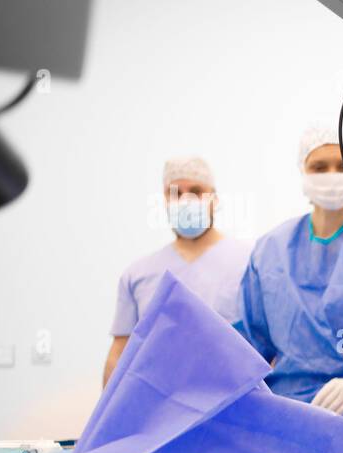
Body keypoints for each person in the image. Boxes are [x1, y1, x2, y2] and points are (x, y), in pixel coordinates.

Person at [233, 123, 343, 439]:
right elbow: (247, 345)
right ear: (303, 171)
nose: (331, 174)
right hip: (284, 420)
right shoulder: (271, 249)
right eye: (319, 166)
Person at [104, 157, 249, 386]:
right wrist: (109, 415)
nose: (185, 201)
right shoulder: (138, 275)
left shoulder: (250, 262)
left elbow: (270, 345)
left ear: (214, 199)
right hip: (163, 407)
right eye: (176, 194)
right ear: (164, 201)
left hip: (232, 399)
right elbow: (120, 353)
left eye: (196, 191)